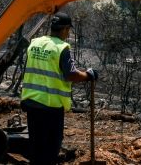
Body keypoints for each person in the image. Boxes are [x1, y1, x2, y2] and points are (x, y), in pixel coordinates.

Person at [20, 12, 96, 165]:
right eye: (68, 30)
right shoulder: (61, 48)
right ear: (64, 29)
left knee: (36, 144)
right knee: (51, 147)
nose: (68, 34)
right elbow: (72, 75)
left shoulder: (35, 43)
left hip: (32, 103)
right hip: (51, 106)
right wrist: (88, 75)